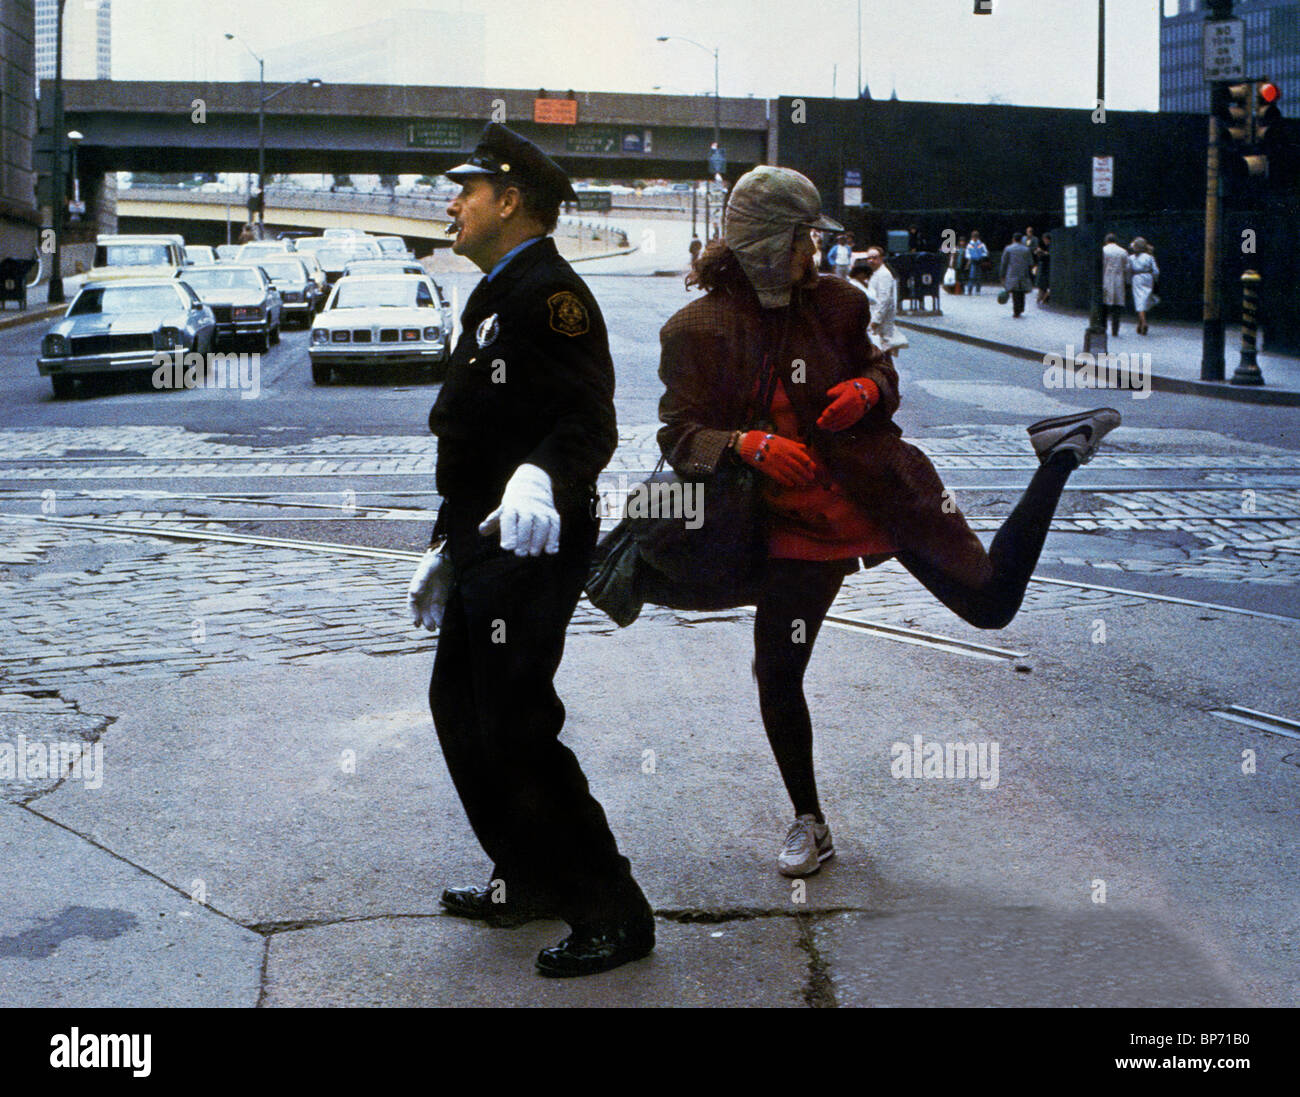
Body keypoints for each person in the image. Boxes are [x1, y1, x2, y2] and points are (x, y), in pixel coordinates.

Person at [655, 165, 1120, 878]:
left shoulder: (837, 302)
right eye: (803, 237)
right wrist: (747, 444)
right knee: (777, 671)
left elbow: (887, 373)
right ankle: (809, 821)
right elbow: (678, 433)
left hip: (885, 496)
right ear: (768, 242)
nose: (816, 250)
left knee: (993, 603)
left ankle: (1058, 454)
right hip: (792, 530)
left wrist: (868, 389)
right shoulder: (696, 328)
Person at [407, 123, 654, 978]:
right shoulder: (497, 290)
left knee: (516, 724)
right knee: (460, 708)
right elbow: (475, 436)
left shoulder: (553, 296)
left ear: (509, 201)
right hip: (482, 535)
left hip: (532, 537)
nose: (451, 202)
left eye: (465, 190)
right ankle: (532, 874)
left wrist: (541, 477)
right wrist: (444, 543)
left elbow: (590, 422)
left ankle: (612, 909)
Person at [861, 245, 908, 355]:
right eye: (869, 258)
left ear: (882, 258)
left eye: (874, 257)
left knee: (882, 351)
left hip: (881, 321)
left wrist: (876, 320)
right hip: (876, 318)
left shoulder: (884, 274)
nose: (871, 261)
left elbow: (884, 300)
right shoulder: (875, 273)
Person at [1127, 237, 1159, 336]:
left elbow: (1128, 270)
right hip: (1148, 277)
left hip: (1137, 277)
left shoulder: (1131, 258)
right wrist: (1155, 279)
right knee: (1144, 299)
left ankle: (1143, 322)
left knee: (1139, 300)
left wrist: (1128, 281)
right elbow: (1156, 270)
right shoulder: (1149, 257)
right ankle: (1140, 324)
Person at [999, 232, 1035, 318]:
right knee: (1021, 292)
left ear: (1013, 239)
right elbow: (1030, 263)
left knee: (1015, 293)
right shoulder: (1026, 249)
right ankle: (1021, 308)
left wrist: (1002, 274)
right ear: (1021, 240)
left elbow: (1004, 263)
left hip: (1012, 274)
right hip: (1023, 274)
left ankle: (1016, 311)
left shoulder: (1008, 249)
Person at [1102, 232, 1129, 336]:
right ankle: (1115, 330)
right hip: (1119, 280)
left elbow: (1102, 266)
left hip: (1106, 279)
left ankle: (1103, 327)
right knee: (1117, 307)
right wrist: (1127, 281)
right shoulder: (1123, 251)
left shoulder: (1104, 250)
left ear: (1106, 240)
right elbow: (1127, 267)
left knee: (1104, 306)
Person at [1034, 231, 1052, 305]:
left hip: (1047, 269)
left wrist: (1042, 252)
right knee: (1042, 285)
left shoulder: (1052, 246)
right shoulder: (1047, 247)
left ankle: (1042, 299)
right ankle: (1042, 299)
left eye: (1045, 239)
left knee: (1043, 285)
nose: (1044, 241)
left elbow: (1050, 255)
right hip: (1045, 268)